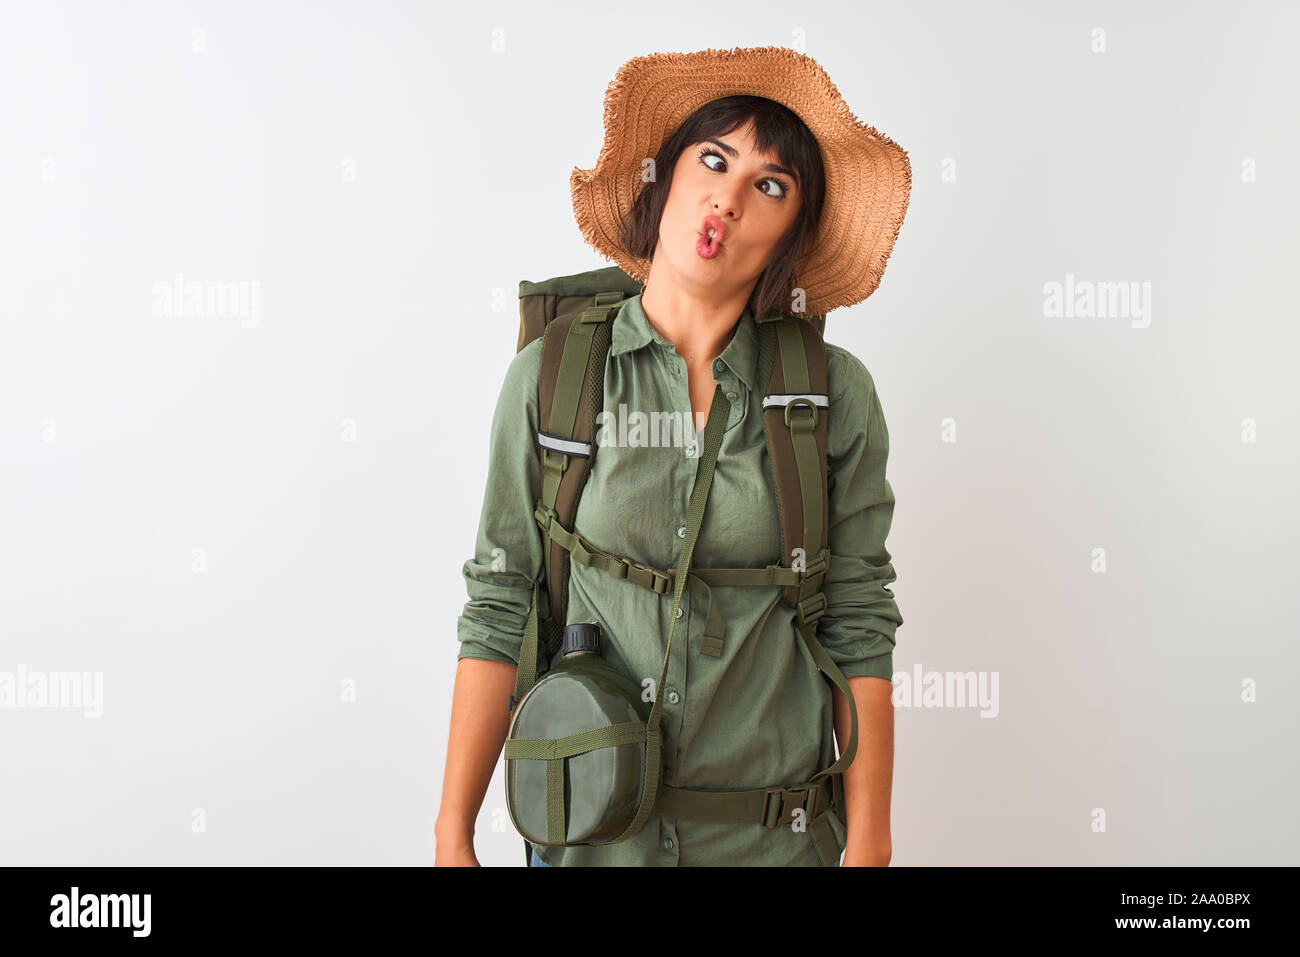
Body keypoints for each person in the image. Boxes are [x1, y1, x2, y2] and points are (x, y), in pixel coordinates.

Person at [436, 45, 911, 867]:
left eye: (770, 185)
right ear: (664, 178)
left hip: (773, 845)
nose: (727, 198)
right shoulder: (552, 379)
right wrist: (453, 834)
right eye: (714, 159)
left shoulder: (834, 395)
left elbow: (859, 620)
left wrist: (871, 842)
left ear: (790, 233)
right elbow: (500, 602)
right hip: (586, 839)